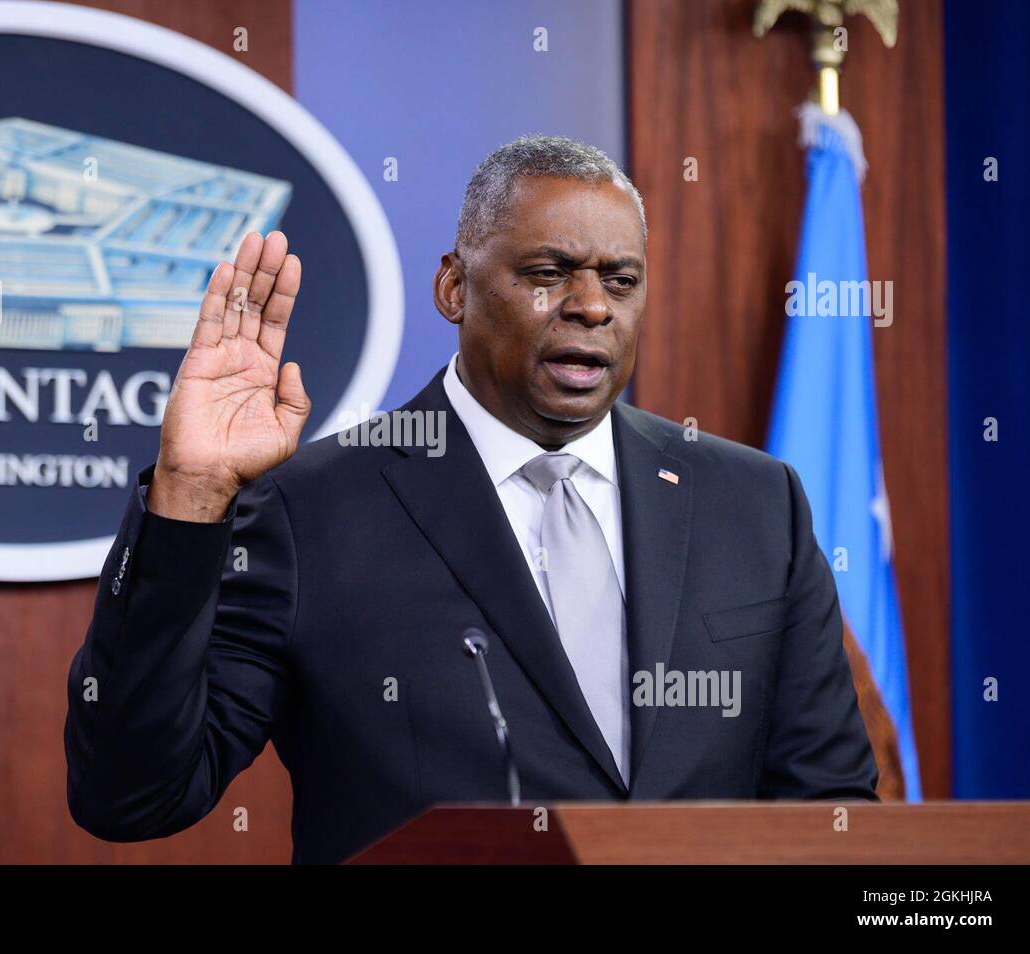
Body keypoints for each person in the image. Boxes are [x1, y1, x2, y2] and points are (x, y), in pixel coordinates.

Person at [64, 135, 877, 864]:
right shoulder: (310, 511)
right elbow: (132, 796)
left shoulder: (755, 504)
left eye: (620, 281)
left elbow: (831, 812)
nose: (593, 306)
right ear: (454, 288)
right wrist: (190, 494)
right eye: (548, 273)